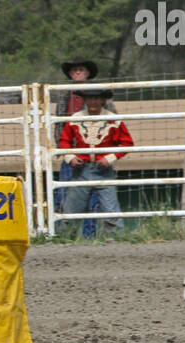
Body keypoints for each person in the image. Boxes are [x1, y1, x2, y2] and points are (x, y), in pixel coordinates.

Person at [59, 88, 133, 237]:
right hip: (81, 169)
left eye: (97, 98)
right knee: (72, 208)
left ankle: (115, 239)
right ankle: (65, 239)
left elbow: (127, 143)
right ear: (85, 100)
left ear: (103, 100)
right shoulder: (75, 118)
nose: (93, 102)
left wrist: (110, 158)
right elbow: (64, 141)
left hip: (103, 170)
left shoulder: (113, 119)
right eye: (90, 98)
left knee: (110, 208)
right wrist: (70, 157)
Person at [54, 57, 116, 236]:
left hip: (96, 154)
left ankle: (90, 235)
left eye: (81, 69)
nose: (77, 73)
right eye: (74, 70)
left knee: (94, 197)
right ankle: (66, 235)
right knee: (65, 195)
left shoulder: (100, 94)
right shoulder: (64, 94)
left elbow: (113, 122)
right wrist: (65, 152)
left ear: (88, 73)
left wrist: (107, 152)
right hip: (72, 155)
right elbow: (59, 124)